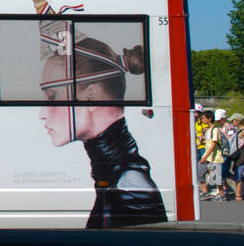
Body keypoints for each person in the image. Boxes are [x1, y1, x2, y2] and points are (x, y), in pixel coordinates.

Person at [38, 33, 165, 227]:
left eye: (52, 97)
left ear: (91, 95)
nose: (43, 113)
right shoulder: (119, 179)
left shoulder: (129, 186)